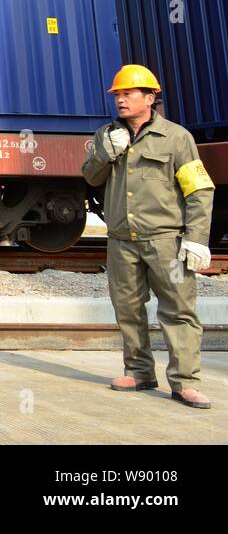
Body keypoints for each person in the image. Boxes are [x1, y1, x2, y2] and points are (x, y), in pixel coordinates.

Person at [82, 64, 216, 409]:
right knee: (127, 308)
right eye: (118, 95)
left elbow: (199, 189)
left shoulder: (177, 138)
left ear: (150, 97)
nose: (121, 100)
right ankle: (140, 371)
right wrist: (105, 153)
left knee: (178, 310)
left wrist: (197, 237)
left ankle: (185, 382)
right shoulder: (106, 135)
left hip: (165, 241)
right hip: (122, 240)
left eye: (128, 94)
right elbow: (90, 177)